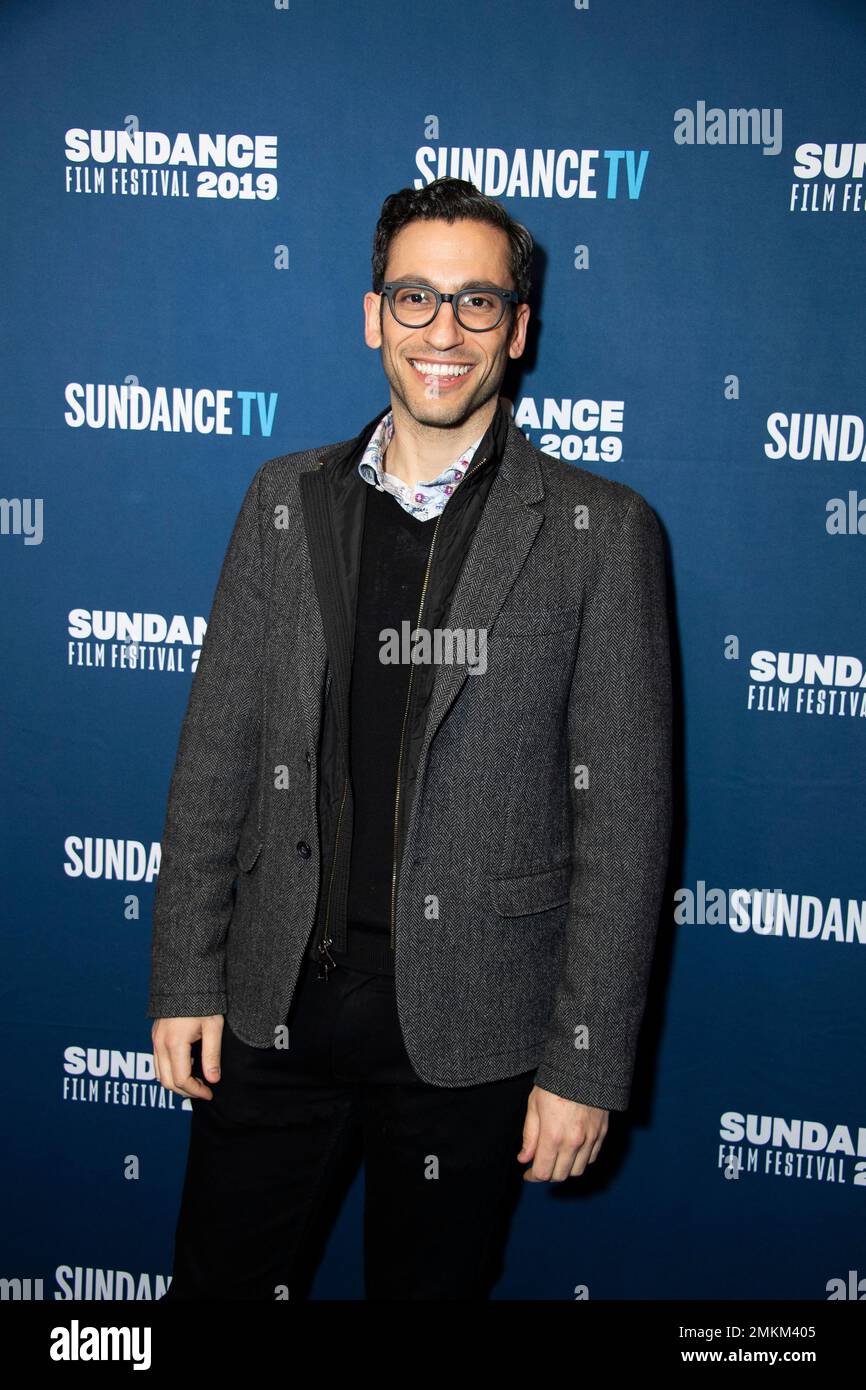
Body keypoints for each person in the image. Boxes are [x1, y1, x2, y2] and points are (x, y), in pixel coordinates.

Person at [148, 175, 673, 1300]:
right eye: (414, 298)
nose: (442, 331)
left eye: (475, 303)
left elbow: (623, 822)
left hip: (473, 1030)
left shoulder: (600, 534)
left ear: (517, 329)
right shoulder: (282, 500)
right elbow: (216, 754)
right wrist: (184, 969)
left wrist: (585, 1061)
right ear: (370, 313)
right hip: (274, 1005)